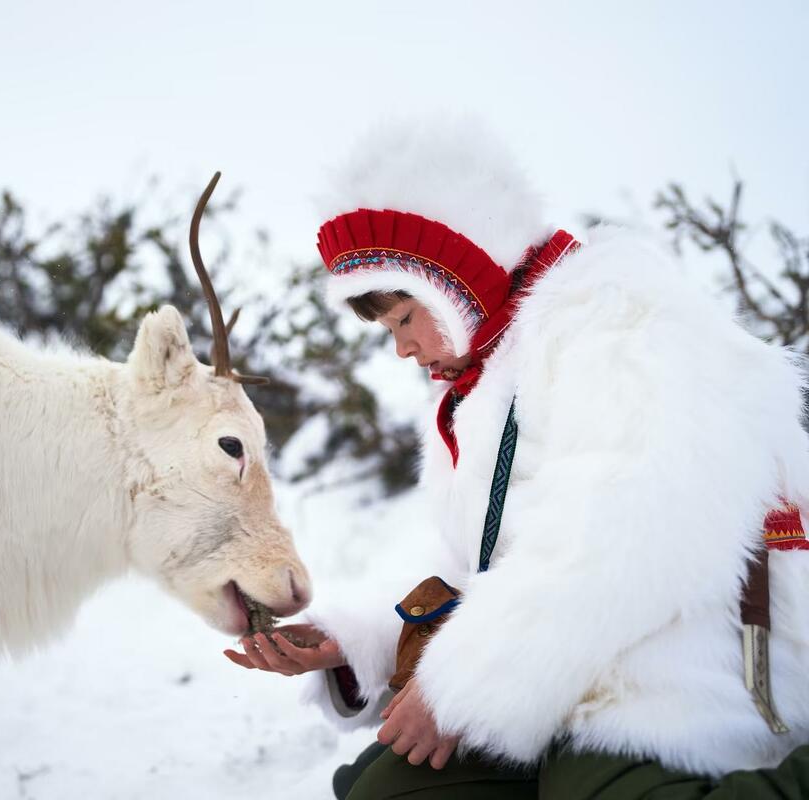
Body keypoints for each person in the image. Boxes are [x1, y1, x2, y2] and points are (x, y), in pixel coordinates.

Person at [224, 120, 809, 799]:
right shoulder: (487, 385)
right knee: (381, 791)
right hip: (558, 672)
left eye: (405, 317)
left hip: (688, 664)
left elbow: (626, 541)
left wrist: (459, 687)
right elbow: (489, 570)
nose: (403, 350)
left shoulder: (617, 323)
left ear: (457, 270)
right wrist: (361, 643)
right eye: (388, 331)